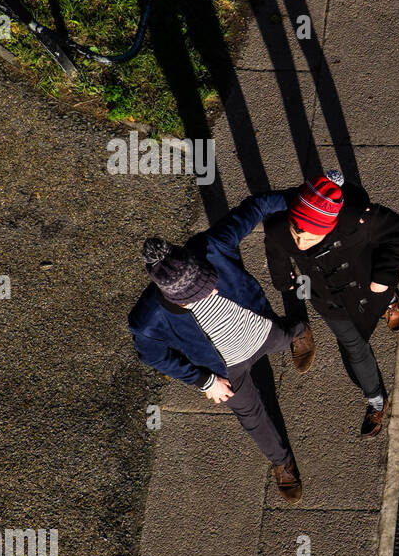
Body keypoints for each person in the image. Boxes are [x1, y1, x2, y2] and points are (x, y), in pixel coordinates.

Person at [128, 192, 306, 502]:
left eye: (208, 279)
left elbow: (257, 206)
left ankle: (300, 332)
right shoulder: (146, 321)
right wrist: (204, 381)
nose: (212, 290)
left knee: (286, 335)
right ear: (175, 299)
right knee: (251, 415)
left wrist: (305, 200)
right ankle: (281, 462)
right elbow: (153, 354)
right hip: (224, 369)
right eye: (200, 293)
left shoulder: (212, 246)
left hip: (261, 329)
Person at [264, 170, 399, 438]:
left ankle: (390, 299)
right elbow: (276, 248)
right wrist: (283, 278)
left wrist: (384, 277)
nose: (300, 243)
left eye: (309, 238)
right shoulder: (279, 227)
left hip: (367, 281)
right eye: (296, 233)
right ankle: (377, 399)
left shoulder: (358, 220)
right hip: (329, 299)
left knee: (382, 293)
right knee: (354, 347)